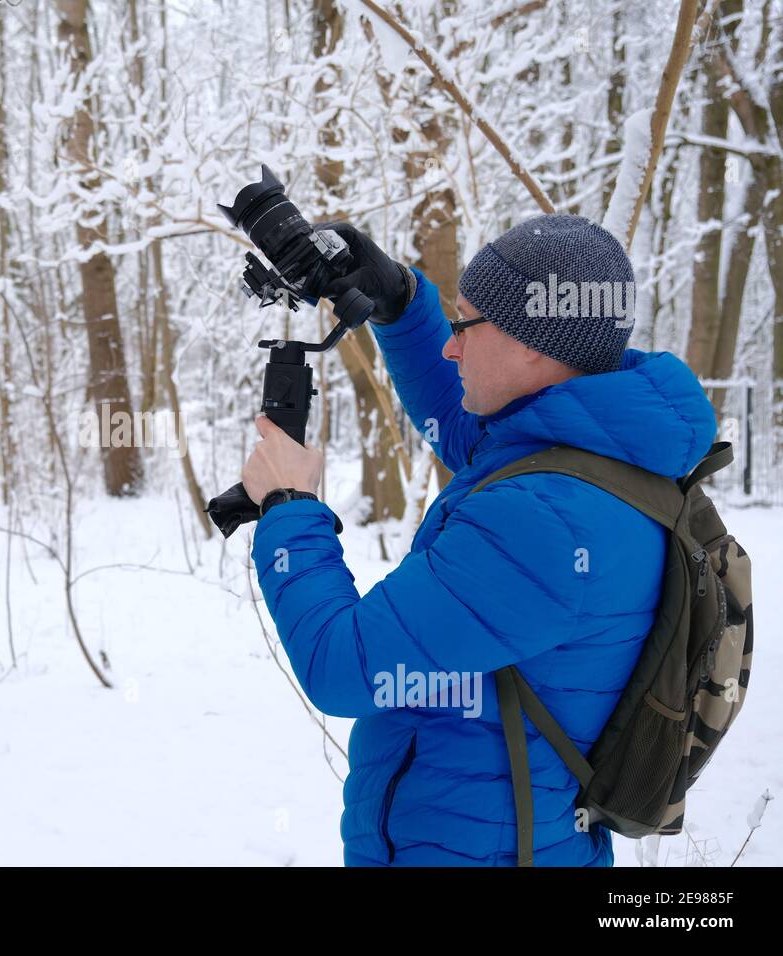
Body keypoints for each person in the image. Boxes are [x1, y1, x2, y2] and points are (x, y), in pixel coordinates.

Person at [243, 213, 718, 866]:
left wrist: (288, 506)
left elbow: (339, 666)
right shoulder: (603, 454)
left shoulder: (544, 523)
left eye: (466, 324)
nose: (451, 346)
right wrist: (404, 306)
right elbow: (475, 429)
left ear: (532, 345)